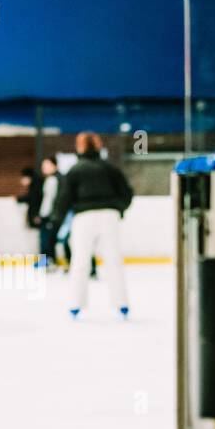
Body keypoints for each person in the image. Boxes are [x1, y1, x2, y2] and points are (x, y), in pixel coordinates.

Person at [50, 131, 133, 319]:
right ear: (98, 146)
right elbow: (127, 192)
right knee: (113, 259)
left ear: (79, 147)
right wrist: (118, 208)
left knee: (80, 260)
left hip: (84, 217)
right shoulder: (109, 168)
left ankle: (75, 304)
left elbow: (64, 198)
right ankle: (122, 303)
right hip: (109, 216)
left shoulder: (75, 170)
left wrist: (57, 219)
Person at [37, 156, 62, 266]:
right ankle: (49, 261)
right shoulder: (57, 178)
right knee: (50, 240)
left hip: (50, 216)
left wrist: (43, 215)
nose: (43, 168)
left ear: (54, 165)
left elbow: (49, 199)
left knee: (46, 240)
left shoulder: (52, 179)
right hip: (55, 215)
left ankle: (47, 262)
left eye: (46, 165)